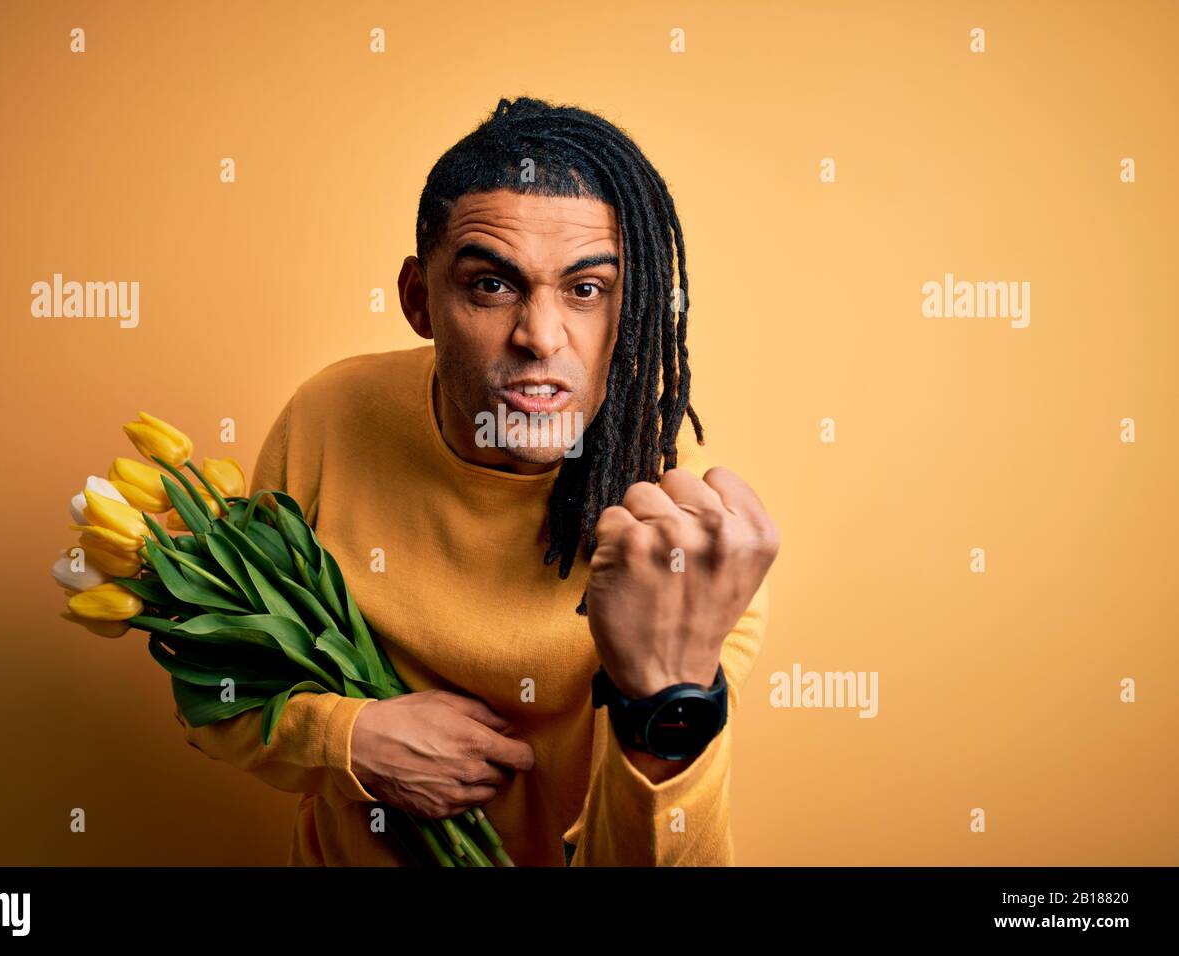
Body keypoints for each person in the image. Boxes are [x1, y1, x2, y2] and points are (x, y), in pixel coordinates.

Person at [172, 96, 779, 866]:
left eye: (587, 289)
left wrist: (667, 697)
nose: (540, 336)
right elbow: (215, 687)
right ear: (419, 299)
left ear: (635, 308)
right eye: (492, 285)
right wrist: (351, 743)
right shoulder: (329, 416)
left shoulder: (686, 531)